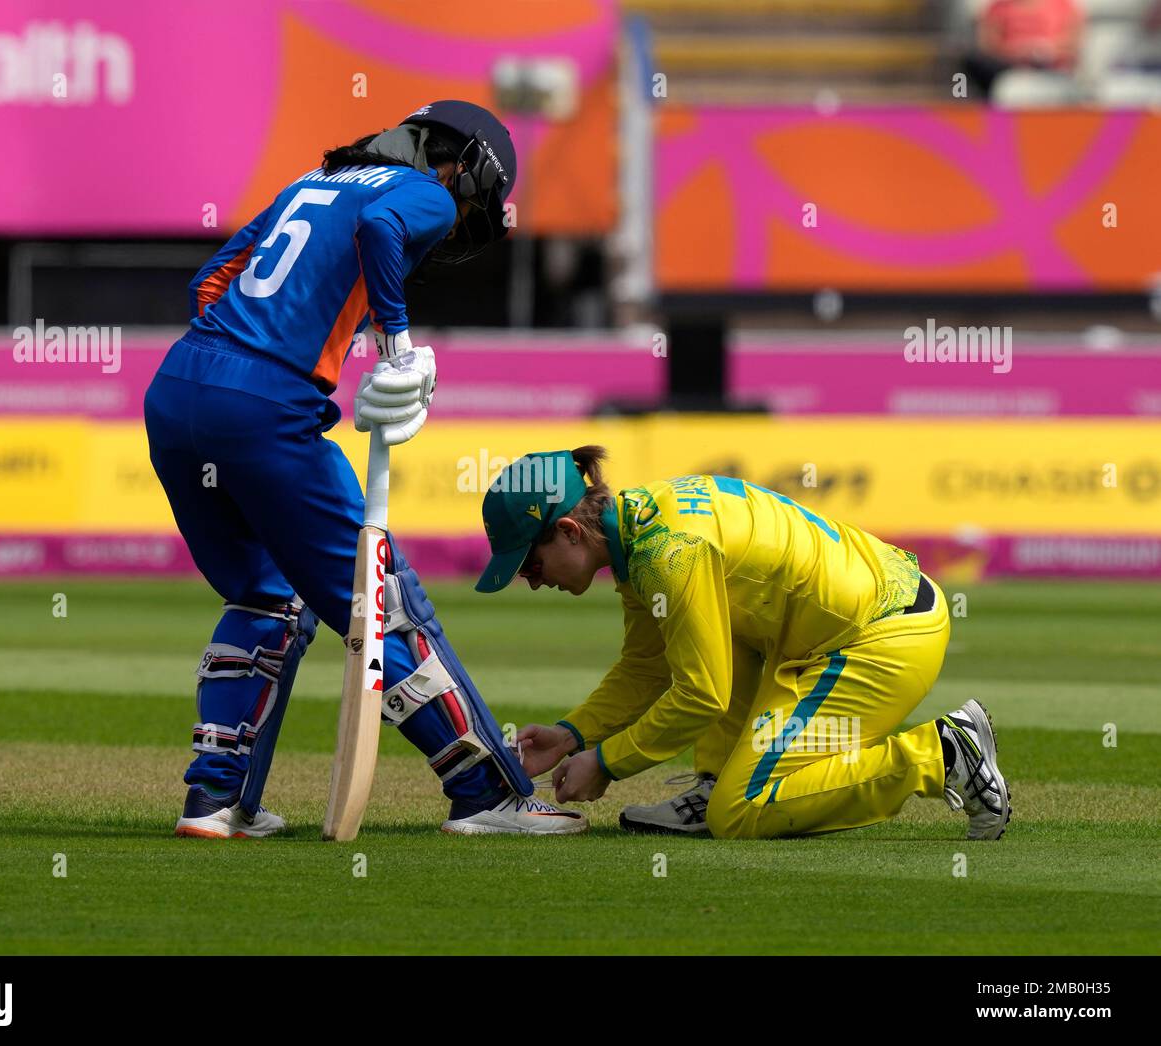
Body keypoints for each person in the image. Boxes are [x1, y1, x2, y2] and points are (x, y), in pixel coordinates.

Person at [143, 100, 584, 838]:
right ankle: (488, 793)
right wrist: (396, 342)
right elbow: (383, 229)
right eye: (471, 196)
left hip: (178, 389)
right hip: (262, 409)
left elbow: (211, 284)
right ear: (460, 163)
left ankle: (217, 801)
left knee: (265, 597)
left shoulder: (312, 181)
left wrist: (285, 348)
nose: (459, 215)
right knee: (381, 599)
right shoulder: (416, 191)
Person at [475, 446, 1011, 841]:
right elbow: (646, 667)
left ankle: (940, 755)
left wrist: (608, 762)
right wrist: (571, 735)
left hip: (879, 637)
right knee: (713, 635)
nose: (533, 579)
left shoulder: (669, 553)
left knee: (744, 809)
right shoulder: (638, 532)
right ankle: (715, 783)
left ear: (570, 531)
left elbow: (700, 696)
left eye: (530, 563)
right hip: (854, 626)